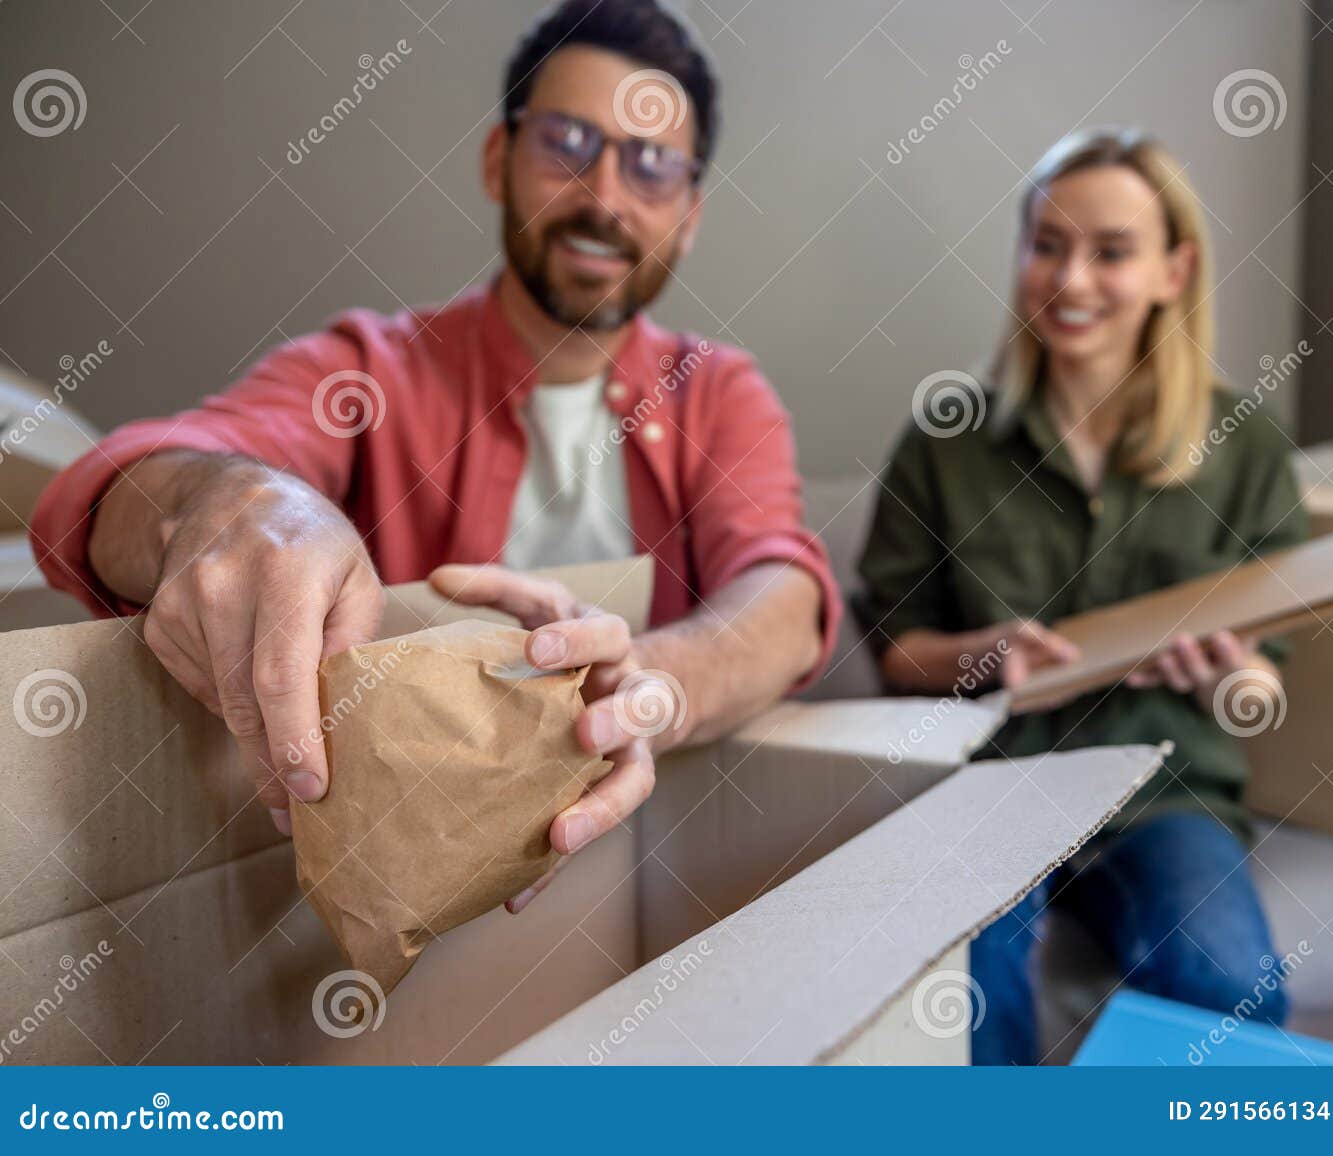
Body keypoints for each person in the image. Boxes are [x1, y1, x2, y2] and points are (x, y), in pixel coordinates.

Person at [29, 0, 838, 913]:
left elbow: (787, 592)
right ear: (500, 160)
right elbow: (131, 479)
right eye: (568, 143)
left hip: (649, 882)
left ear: (689, 215)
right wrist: (223, 501)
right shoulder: (371, 369)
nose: (604, 199)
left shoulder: (717, 391)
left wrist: (648, 686)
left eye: (651, 167)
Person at [856, 127, 1308, 1064]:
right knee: (963, 1003)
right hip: (991, 779)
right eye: (1047, 245)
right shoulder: (946, 441)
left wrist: (1229, 675)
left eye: (1111, 252)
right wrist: (994, 661)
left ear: (1173, 271)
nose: (1071, 280)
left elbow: (1263, 689)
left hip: (1165, 783)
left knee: (1228, 985)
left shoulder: (1247, 445)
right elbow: (898, 657)